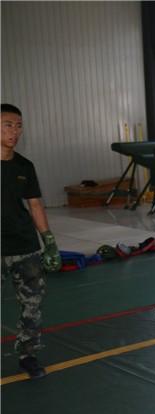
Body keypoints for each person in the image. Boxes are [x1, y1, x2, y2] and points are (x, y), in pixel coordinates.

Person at [1, 103, 61, 379]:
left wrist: (49, 241)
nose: (14, 132)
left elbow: (34, 204)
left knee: (32, 304)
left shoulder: (24, 166)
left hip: (24, 246)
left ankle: (28, 355)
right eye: (7, 125)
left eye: (18, 126)